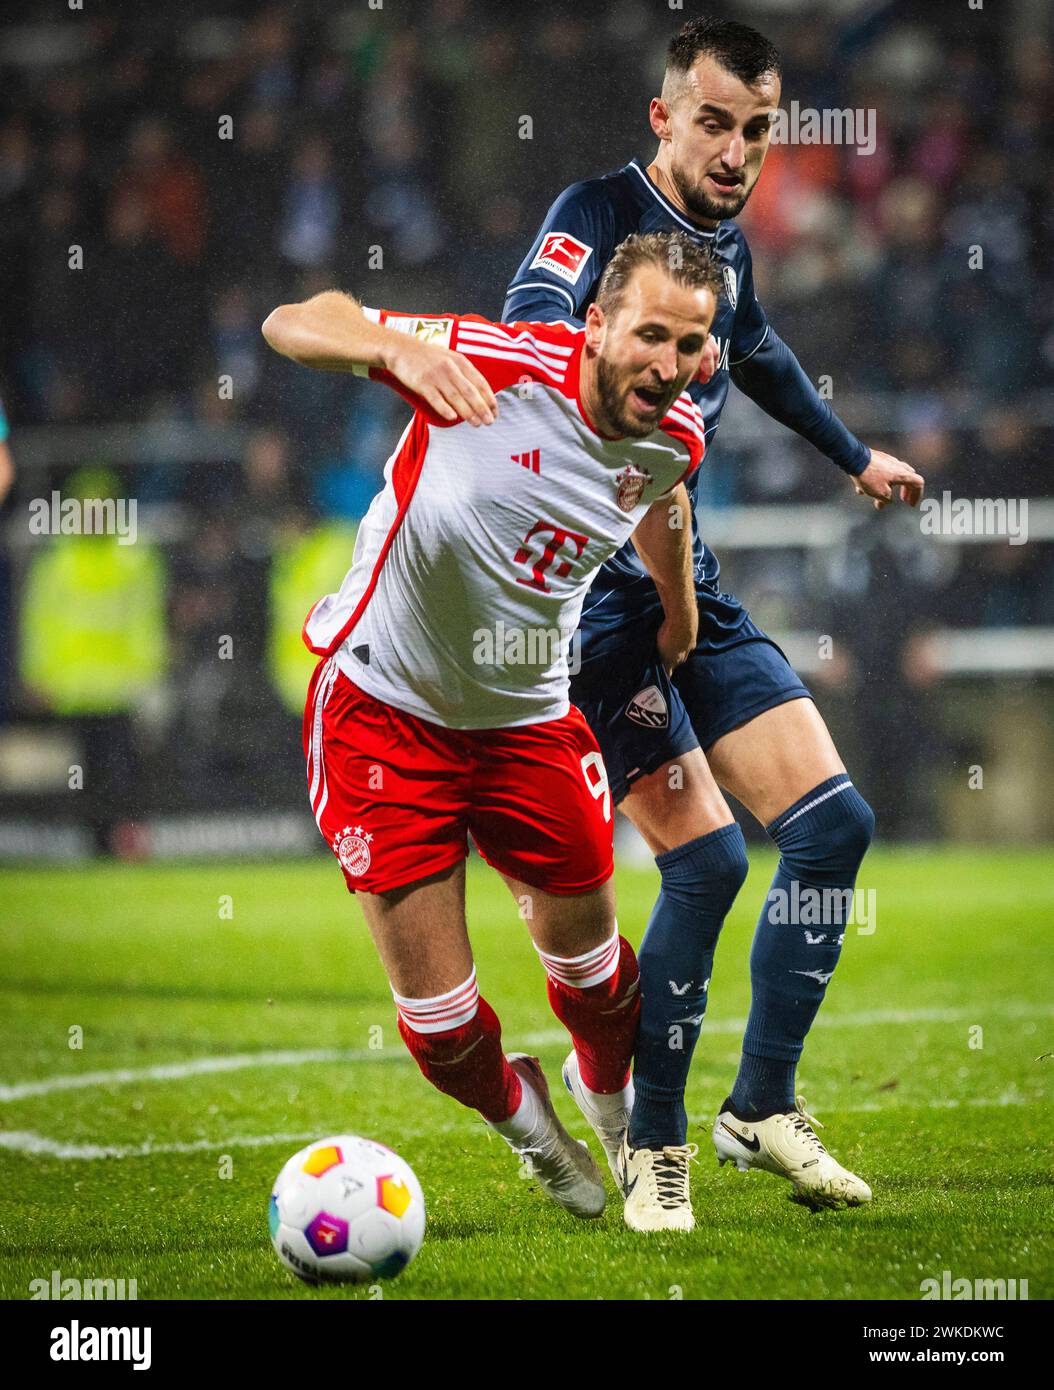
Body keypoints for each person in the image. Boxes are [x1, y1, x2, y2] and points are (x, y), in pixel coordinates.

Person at [504, 16, 925, 1230]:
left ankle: (763, 1105)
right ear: (664, 117)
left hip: (685, 570)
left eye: (757, 130)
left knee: (833, 826)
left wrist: (851, 455)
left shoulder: (724, 251)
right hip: (592, 603)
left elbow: (758, 352)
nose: (737, 150)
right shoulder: (591, 214)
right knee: (705, 860)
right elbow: (530, 340)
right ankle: (658, 1142)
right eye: (715, 122)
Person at [262, 231, 718, 1219]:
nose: (664, 364)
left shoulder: (677, 430)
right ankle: (528, 1123)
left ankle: (611, 1097)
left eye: (688, 346)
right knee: (439, 1030)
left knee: (599, 981)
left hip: (528, 725)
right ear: (595, 326)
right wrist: (396, 349)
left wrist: (675, 607)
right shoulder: (493, 363)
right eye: (646, 336)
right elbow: (293, 321)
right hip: (384, 715)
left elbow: (658, 496)